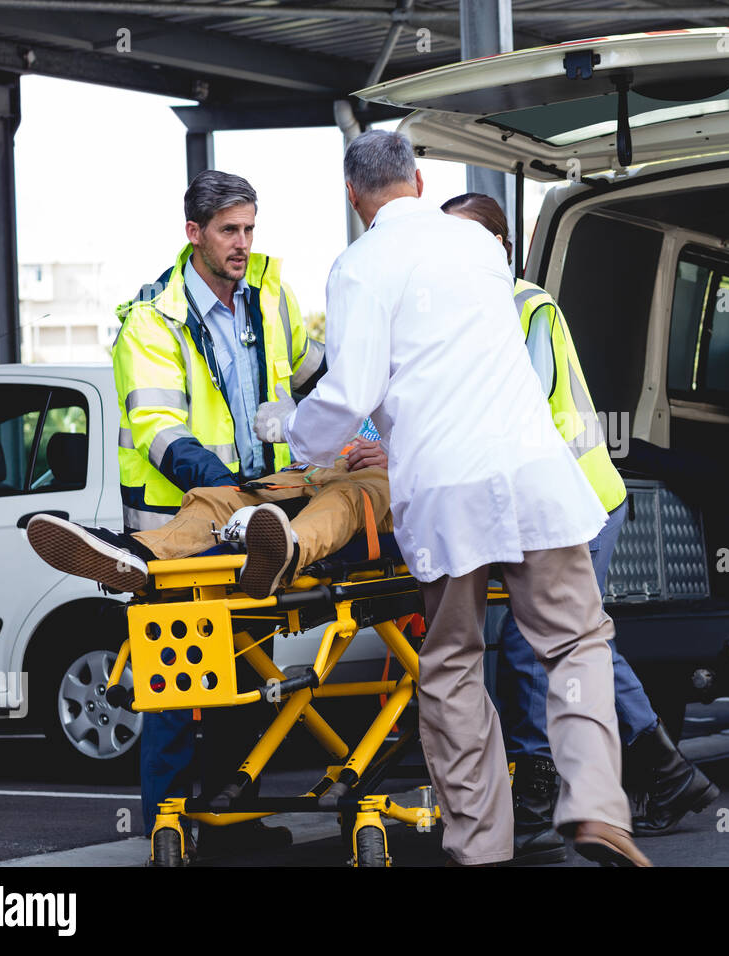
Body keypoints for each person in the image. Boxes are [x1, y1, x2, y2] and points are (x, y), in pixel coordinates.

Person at [253, 129, 650, 867]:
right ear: (420, 181)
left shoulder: (358, 267)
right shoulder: (477, 248)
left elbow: (351, 392)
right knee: (576, 642)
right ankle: (596, 807)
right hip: (534, 474)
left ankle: (481, 846)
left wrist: (298, 441)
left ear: (352, 195)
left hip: (442, 487)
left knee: (452, 663)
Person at [441, 193, 719, 863]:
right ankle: (668, 772)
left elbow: (519, 411)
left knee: (537, 647)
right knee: (579, 643)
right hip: (547, 502)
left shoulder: (524, 308)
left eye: (469, 241)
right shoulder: (465, 316)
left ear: (502, 246)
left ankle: (538, 801)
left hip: (578, 500)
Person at [112, 169, 328, 856]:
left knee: (243, 670)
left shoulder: (271, 299)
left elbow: (311, 377)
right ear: (194, 234)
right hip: (182, 520)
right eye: (229, 231)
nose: (242, 243)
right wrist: (231, 489)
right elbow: (158, 429)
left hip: (255, 523)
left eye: (249, 229)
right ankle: (168, 824)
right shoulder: (151, 320)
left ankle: (238, 821)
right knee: (177, 681)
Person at [23, 455, 391, 598]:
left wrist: (396, 449)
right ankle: (135, 553)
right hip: (319, 468)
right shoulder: (361, 372)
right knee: (217, 499)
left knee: (345, 498)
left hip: (392, 476)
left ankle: (289, 551)